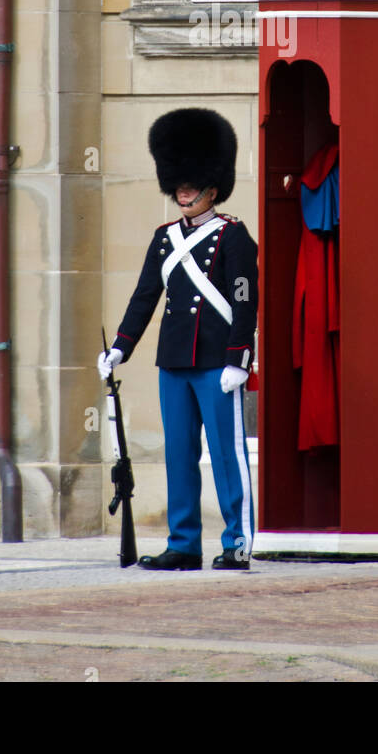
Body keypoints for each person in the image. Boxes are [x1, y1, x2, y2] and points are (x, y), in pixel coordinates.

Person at [97, 108, 257, 570]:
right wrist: (120, 348)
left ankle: (237, 541)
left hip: (216, 363)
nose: (184, 191)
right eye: (179, 184)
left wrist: (238, 359)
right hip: (174, 362)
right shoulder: (165, 239)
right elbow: (145, 296)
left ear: (213, 187)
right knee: (179, 455)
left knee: (227, 456)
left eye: (192, 184)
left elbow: (245, 301)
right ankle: (184, 543)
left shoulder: (234, 237)